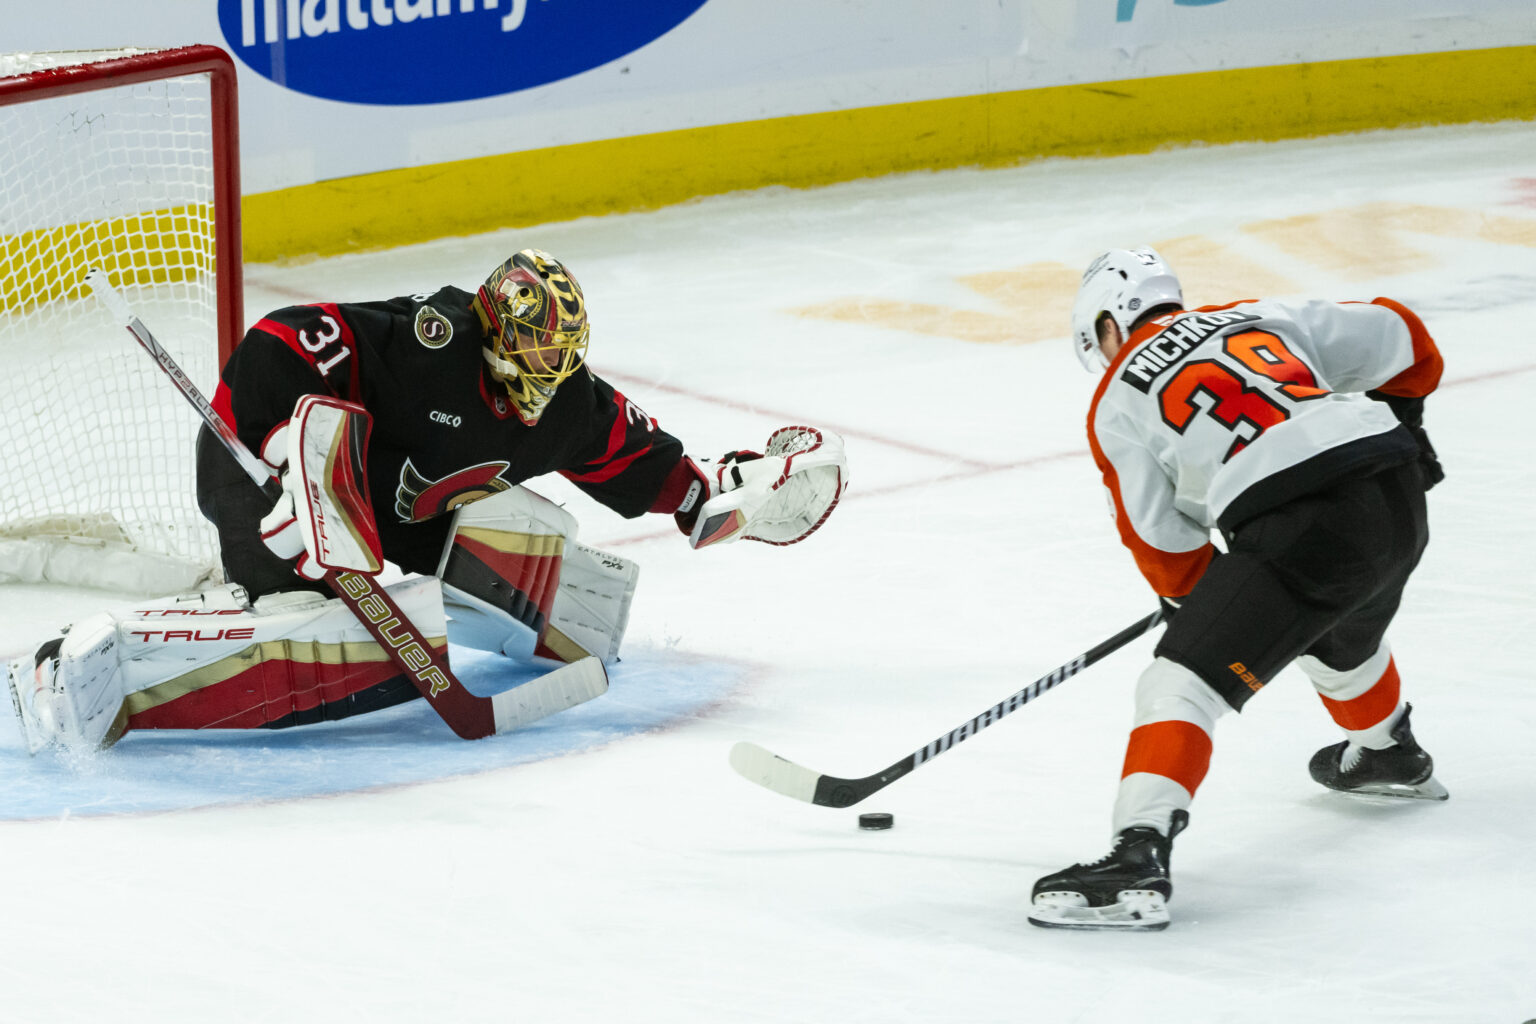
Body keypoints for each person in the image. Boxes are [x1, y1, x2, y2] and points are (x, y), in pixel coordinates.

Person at [7, 249, 846, 751]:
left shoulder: (569, 405)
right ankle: (100, 666)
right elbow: (279, 338)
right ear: (496, 332)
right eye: (537, 354)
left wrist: (729, 495)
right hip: (272, 482)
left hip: (392, 521)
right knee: (317, 632)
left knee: (524, 535)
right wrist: (287, 456)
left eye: (563, 357)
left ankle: (492, 606)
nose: (550, 375)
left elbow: (659, 471)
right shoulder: (432, 346)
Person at [1028, 247, 1447, 932]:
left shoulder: (1115, 401)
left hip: (1304, 519)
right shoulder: (1254, 314)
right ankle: (1385, 751)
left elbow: (1162, 543)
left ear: (1108, 324)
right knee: (1334, 630)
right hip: (1394, 488)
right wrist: (1407, 424)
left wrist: (1203, 606)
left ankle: (1136, 854)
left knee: (1177, 685)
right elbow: (1405, 334)